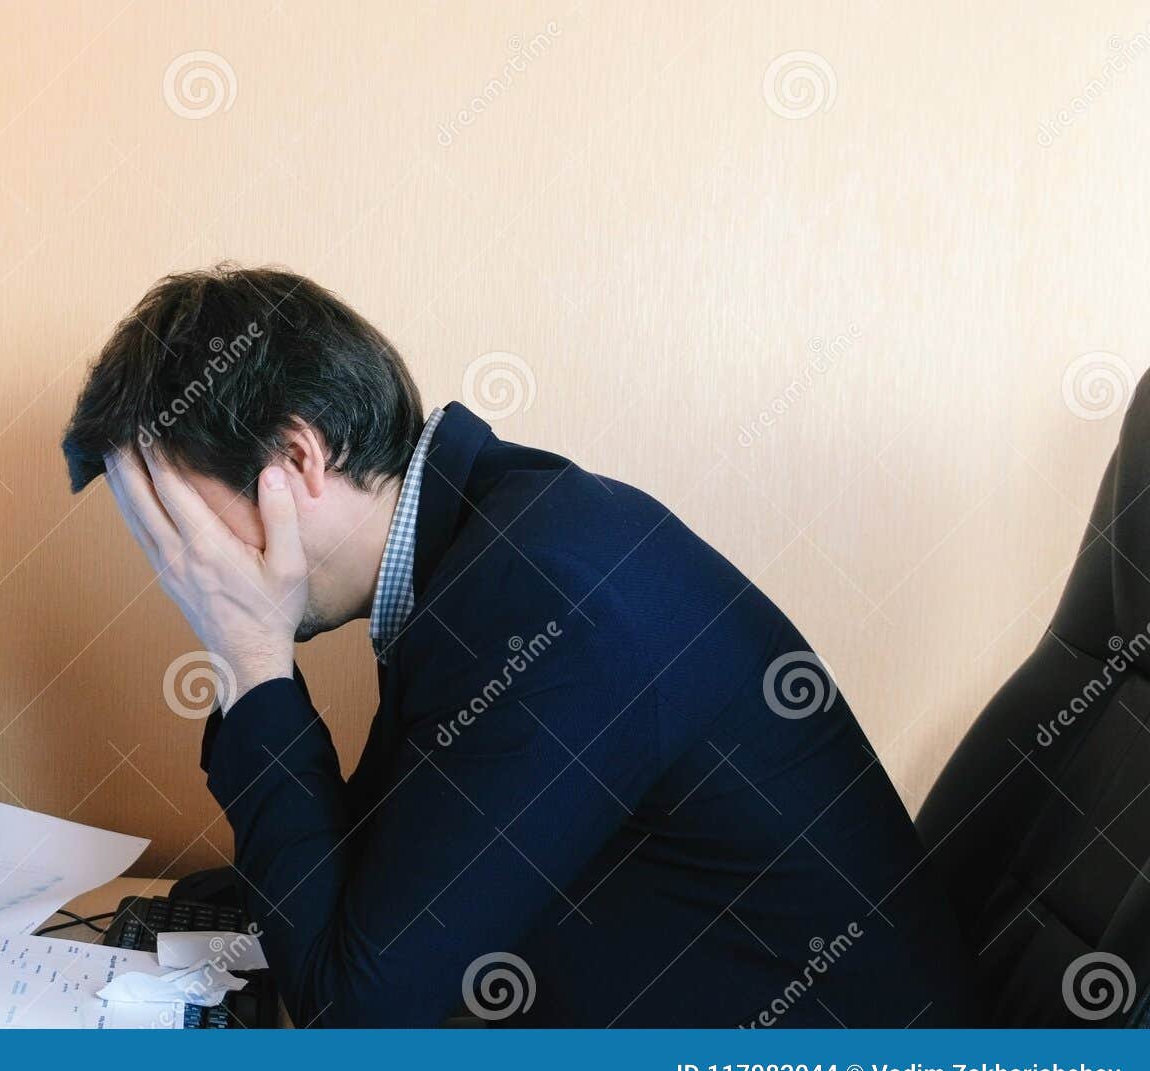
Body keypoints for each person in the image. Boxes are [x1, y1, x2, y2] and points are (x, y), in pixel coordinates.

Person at [60, 265, 977, 1027]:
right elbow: (378, 882)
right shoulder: (483, 538)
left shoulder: (544, 599)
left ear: (298, 459)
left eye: (177, 523)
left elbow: (353, 1015)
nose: (180, 570)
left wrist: (253, 659)